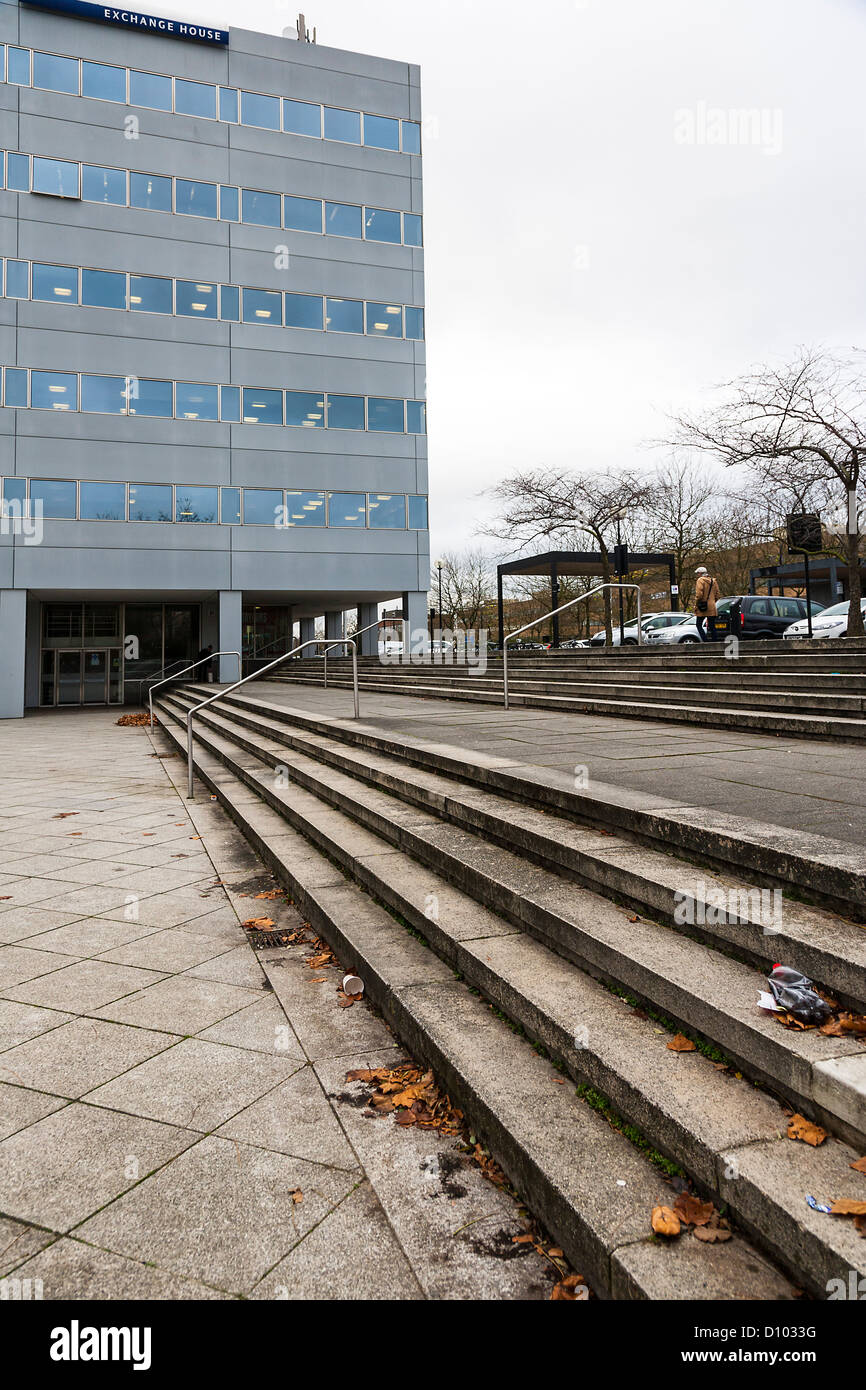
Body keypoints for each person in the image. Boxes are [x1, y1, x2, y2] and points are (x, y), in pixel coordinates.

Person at [693, 566, 721, 642]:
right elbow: (718, 594)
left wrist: (696, 604)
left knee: (699, 625)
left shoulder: (700, 580)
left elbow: (699, 595)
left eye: (698, 573)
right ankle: (715, 642)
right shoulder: (713, 581)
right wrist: (713, 601)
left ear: (700, 573)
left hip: (702, 606)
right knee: (712, 626)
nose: (697, 575)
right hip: (712, 606)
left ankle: (705, 641)